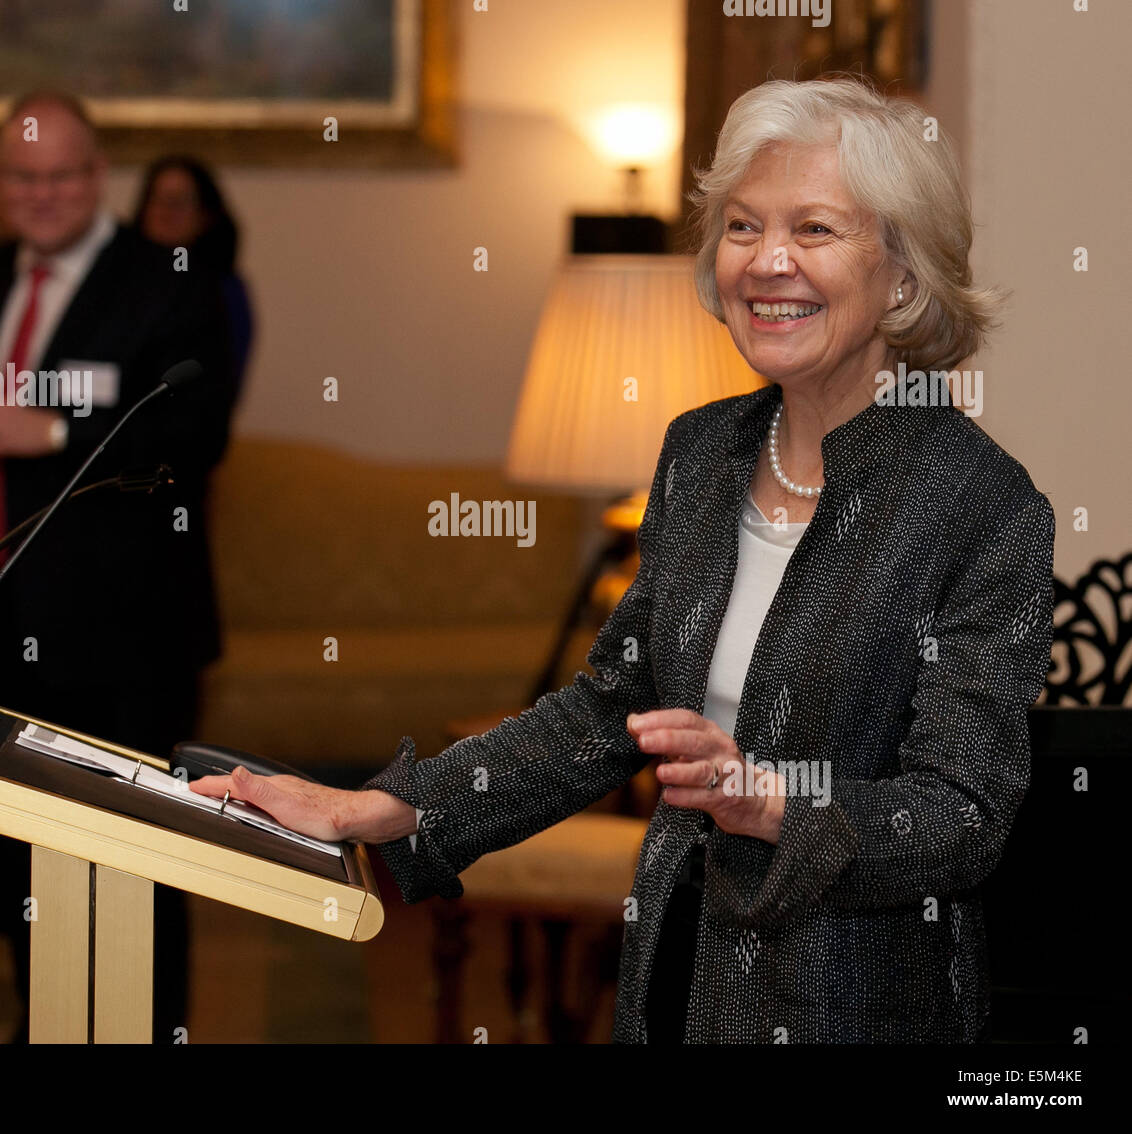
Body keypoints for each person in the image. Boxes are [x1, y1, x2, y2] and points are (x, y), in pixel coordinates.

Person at [192, 75, 1055, 1044]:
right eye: (740, 226)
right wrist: (382, 806)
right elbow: (610, 713)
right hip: (676, 978)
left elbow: (961, 813)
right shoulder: (701, 454)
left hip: (857, 1006)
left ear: (902, 275)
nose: (767, 261)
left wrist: (767, 800)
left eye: (813, 230)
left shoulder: (981, 507)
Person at [0, 91, 233, 1042]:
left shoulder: (167, 279)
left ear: (96, 177)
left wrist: (46, 428)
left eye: (61, 174)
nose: (43, 193)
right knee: (22, 861)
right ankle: (49, 1025)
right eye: (22, 175)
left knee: (136, 857)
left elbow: (192, 433)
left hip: (124, 635)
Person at [133, 156, 254, 407]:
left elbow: (219, 388)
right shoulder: (117, 283)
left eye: (179, 202)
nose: (166, 212)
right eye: (158, 199)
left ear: (205, 215)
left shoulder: (224, 291)